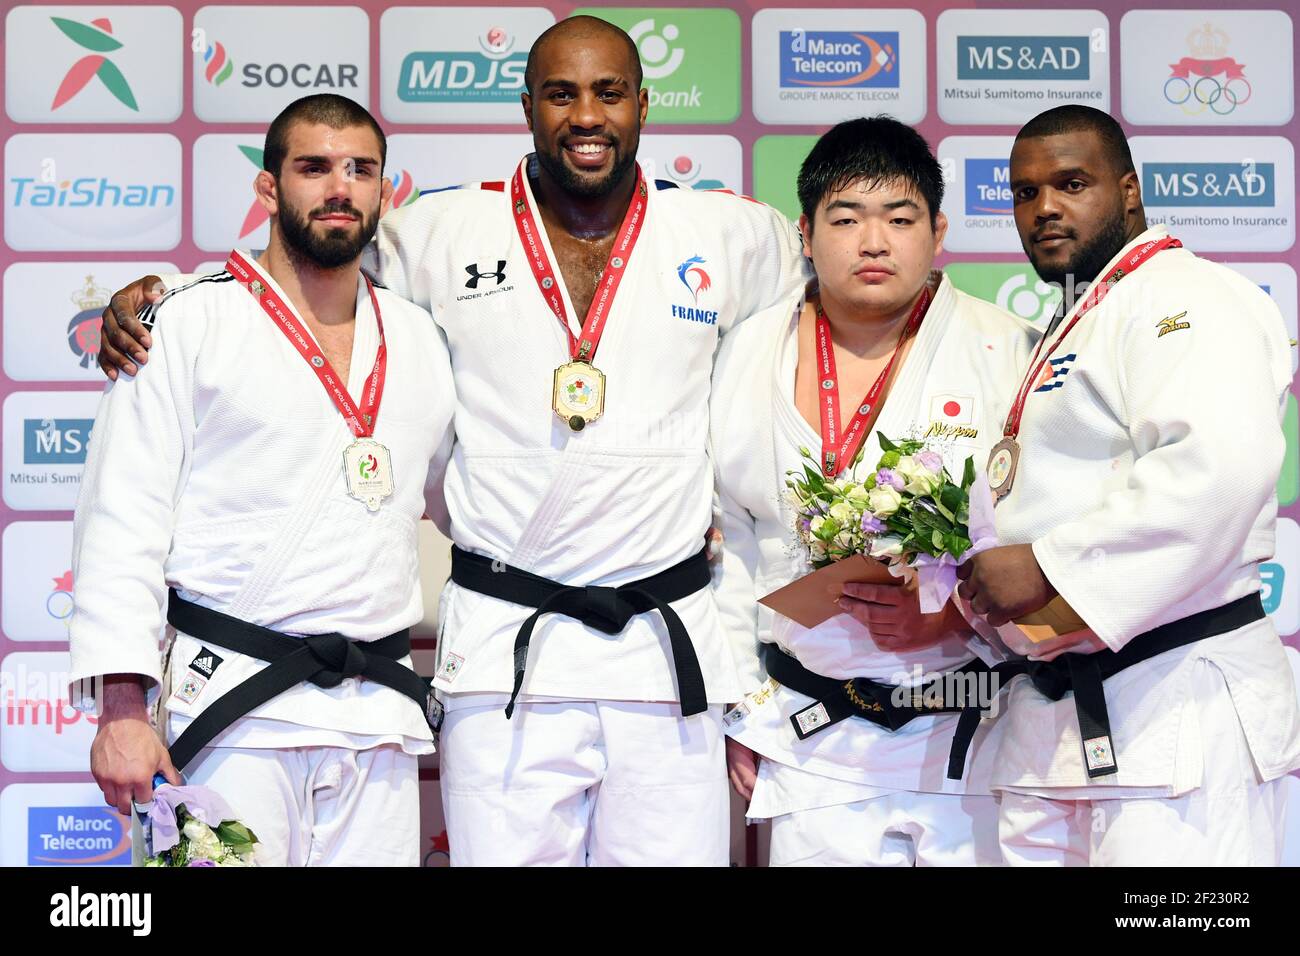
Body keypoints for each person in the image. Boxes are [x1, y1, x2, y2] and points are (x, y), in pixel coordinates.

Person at [95, 16, 808, 866]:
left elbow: (826, 319)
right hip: (503, 649)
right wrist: (166, 299)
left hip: (664, 643)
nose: (586, 114)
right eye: (560, 93)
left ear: (644, 105)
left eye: (609, 92)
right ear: (526, 107)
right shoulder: (431, 235)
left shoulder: (737, 236)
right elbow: (300, 280)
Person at [70, 94, 455, 866]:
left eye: (360, 170)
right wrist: (120, 707)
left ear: (385, 189)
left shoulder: (420, 337)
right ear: (269, 188)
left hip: (375, 716)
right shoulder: (183, 321)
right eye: (313, 168)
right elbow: (123, 519)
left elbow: (473, 499)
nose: (339, 188)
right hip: (228, 713)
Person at [956, 104, 1300, 866]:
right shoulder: (1080, 315)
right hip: (1056, 720)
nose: (1043, 208)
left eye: (1070, 184)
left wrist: (1044, 565)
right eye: (1023, 193)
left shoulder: (1185, 296)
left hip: (1177, 705)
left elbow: (1218, 467)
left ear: (1130, 190)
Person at [712, 117, 1037, 866]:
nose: (873, 242)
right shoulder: (745, 353)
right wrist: (743, 708)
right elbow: (724, 546)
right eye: (846, 218)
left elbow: (1045, 539)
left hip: (972, 724)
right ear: (805, 231)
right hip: (809, 727)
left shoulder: (1006, 348)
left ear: (939, 230)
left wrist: (957, 617)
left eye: (899, 218)